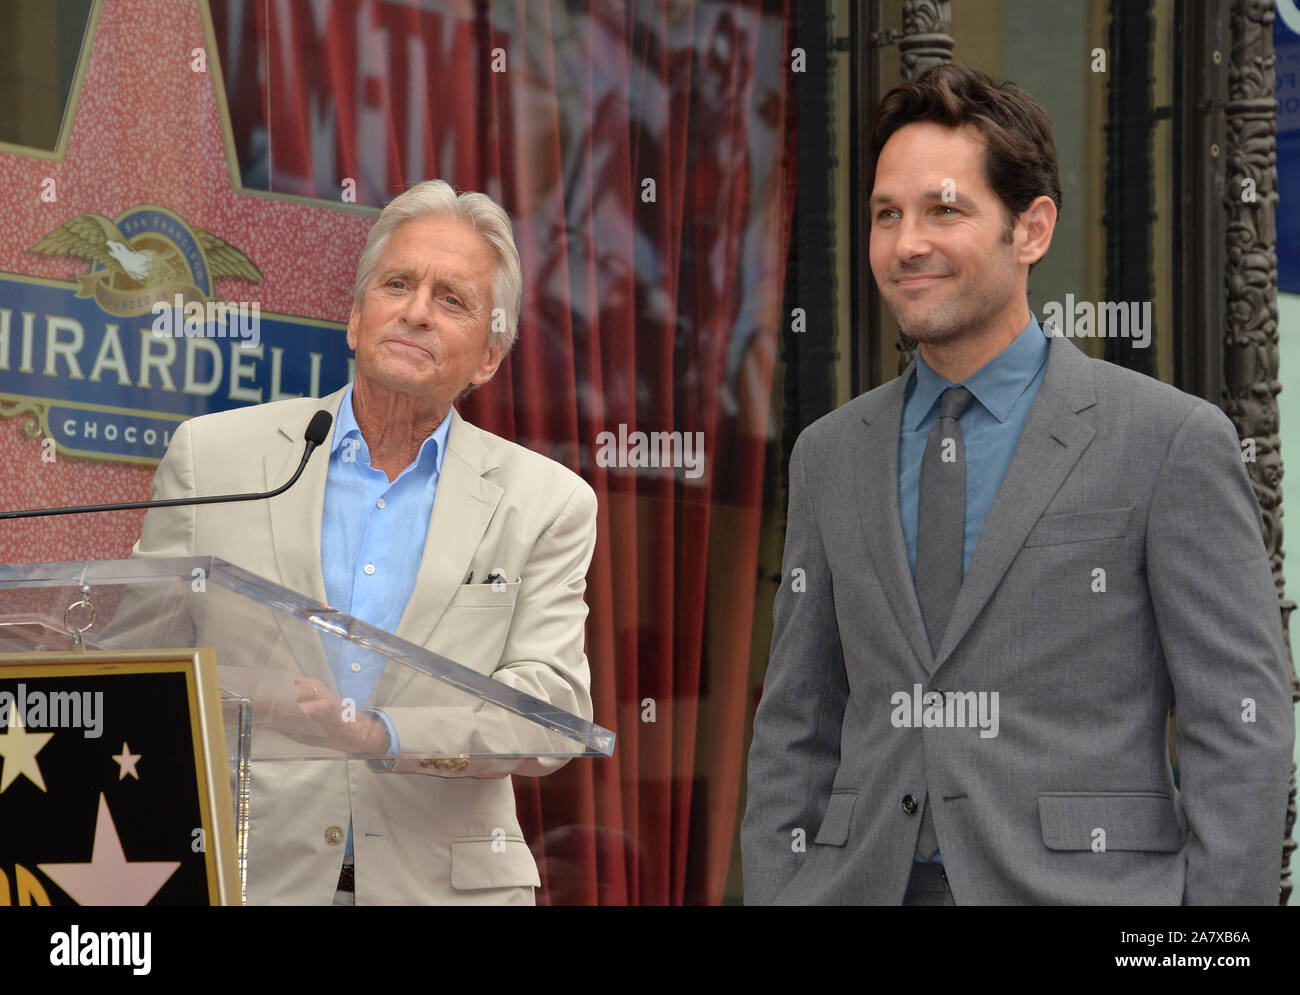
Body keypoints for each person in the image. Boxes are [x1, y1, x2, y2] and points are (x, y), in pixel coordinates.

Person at [741, 64, 1294, 905]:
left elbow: (1239, 727)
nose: (906, 242)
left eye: (944, 209)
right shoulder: (829, 454)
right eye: (886, 214)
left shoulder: (1167, 440)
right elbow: (796, 723)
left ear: (1032, 230)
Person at [131, 179, 598, 905]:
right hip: (246, 878)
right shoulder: (212, 458)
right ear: (354, 318)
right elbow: (140, 670)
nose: (416, 311)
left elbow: (548, 711)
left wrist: (381, 733)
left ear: (489, 357)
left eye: (452, 300)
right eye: (398, 284)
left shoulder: (547, 502)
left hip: (444, 890)